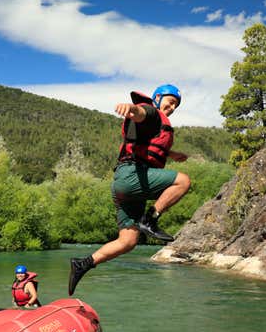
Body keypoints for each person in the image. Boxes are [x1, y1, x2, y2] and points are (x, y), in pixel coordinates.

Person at [68, 84, 191, 296]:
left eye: (175, 107)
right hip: (133, 176)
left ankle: (84, 264)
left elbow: (148, 144)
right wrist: (130, 108)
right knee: (183, 181)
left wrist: (172, 154)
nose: (171, 108)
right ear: (158, 97)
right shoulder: (151, 111)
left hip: (124, 185)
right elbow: (141, 113)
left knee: (128, 241)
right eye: (170, 103)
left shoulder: (154, 122)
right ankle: (150, 219)